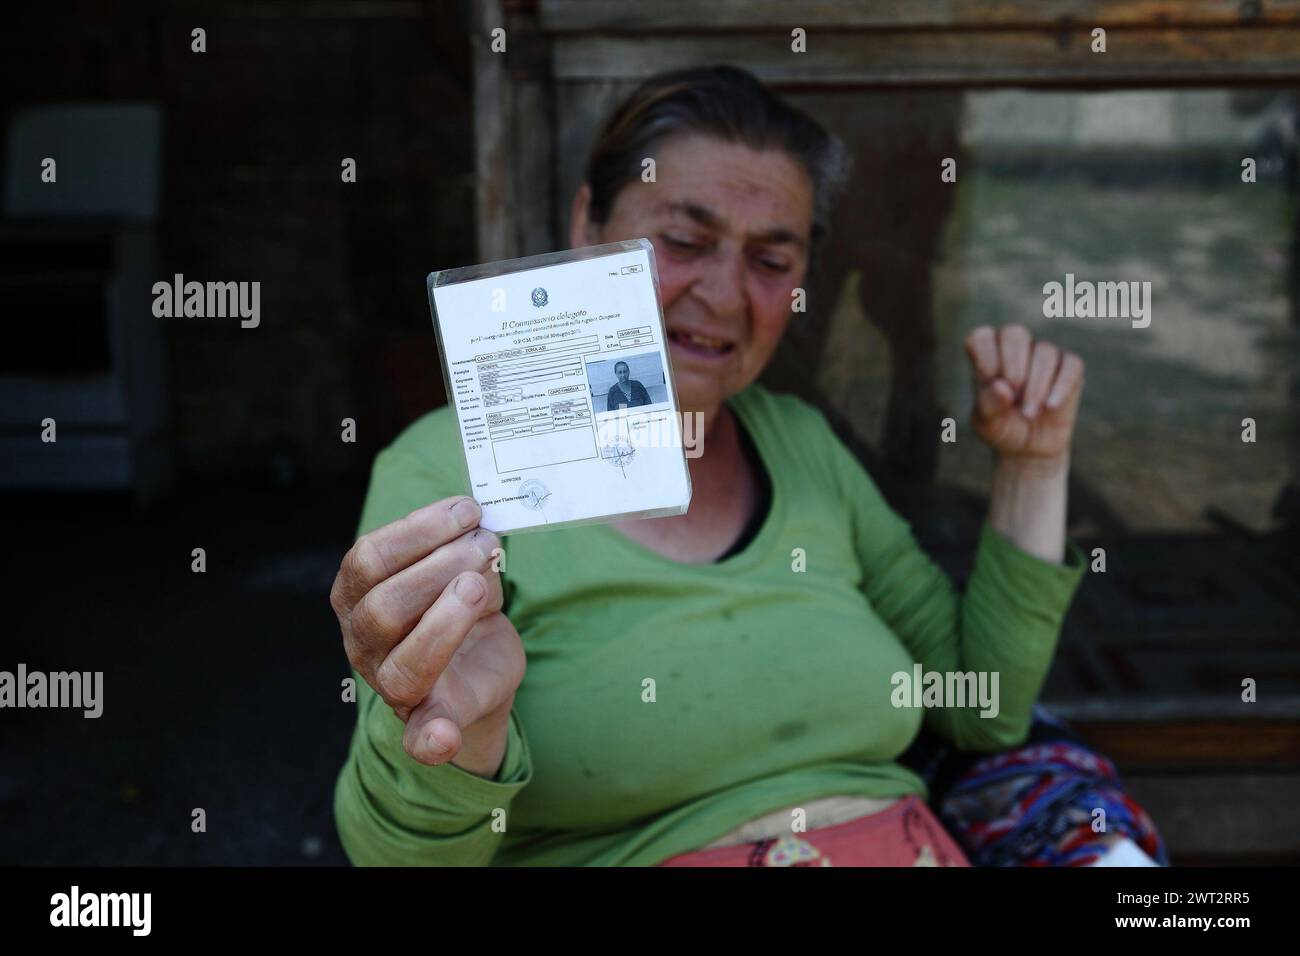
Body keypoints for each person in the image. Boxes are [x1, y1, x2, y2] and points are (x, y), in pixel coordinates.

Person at [331, 65, 1099, 866]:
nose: (726, 295)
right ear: (588, 223)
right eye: (686, 242)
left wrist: (1033, 466)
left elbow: (986, 708)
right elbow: (397, 860)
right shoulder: (449, 474)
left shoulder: (800, 444)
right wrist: (464, 738)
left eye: (771, 260)